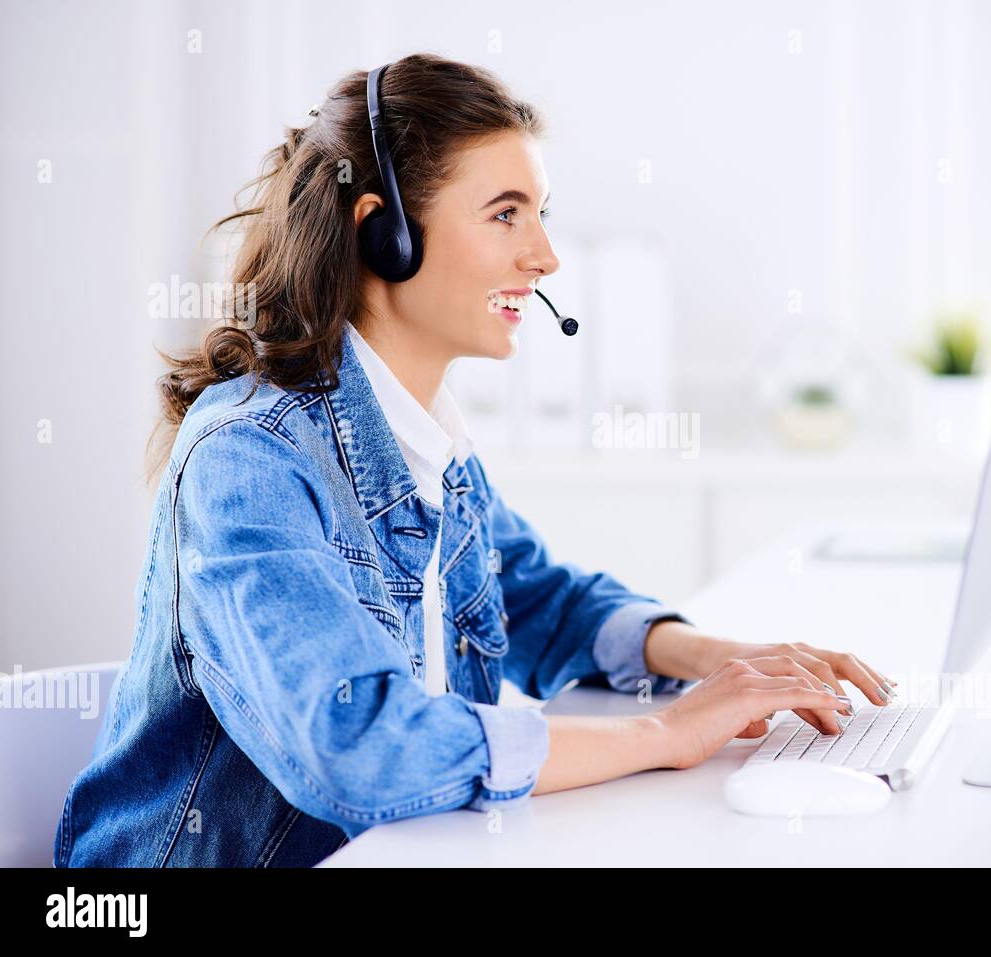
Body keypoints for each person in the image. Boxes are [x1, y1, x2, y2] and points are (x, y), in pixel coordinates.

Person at [53, 53, 896, 868]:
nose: (546, 255)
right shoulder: (249, 457)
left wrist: (714, 658)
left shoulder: (425, 441)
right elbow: (356, 742)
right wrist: (665, 735)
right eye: (505, 214)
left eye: (541, 213)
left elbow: (536, 596)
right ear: (383, 233)